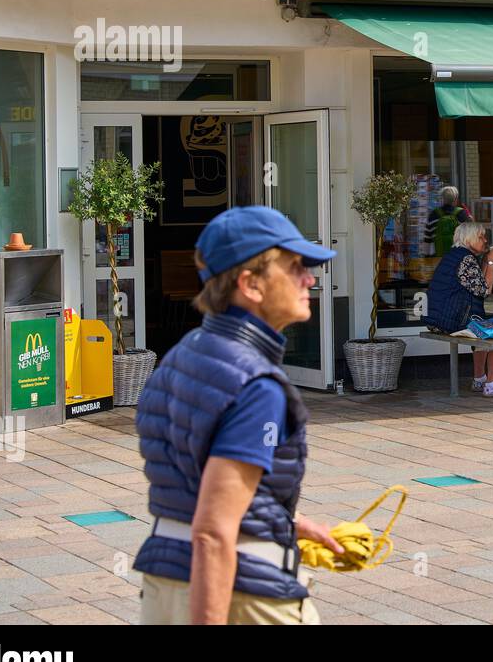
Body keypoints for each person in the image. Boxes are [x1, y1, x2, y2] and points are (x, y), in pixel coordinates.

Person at [134, 206, 341, 625]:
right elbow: (213, 531)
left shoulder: (183, 355)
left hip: (165, 584)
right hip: (241, 595)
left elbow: (194, 483)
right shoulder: (256, 386)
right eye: (295, 267)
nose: (310, 279)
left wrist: (289, 520)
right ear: (250, 284)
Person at [425, 222, 493, 397]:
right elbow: (484, 291)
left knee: (482, 325)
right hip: (453, 320)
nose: (485, 240)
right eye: (481, 236)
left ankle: (479, 380)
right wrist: (491, 261)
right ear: (468, 238)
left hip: (438, 319)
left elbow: (478, 285)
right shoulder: (466, 259)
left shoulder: (454, 255)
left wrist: (485, 260)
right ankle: (492, 386)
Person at [424, 185, 471, 257]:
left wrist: (426, 256)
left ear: (443, 199)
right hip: (458, 258)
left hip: (439, 258)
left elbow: (427, 240)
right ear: (455, 199)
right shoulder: (462, 214)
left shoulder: (433, 214)